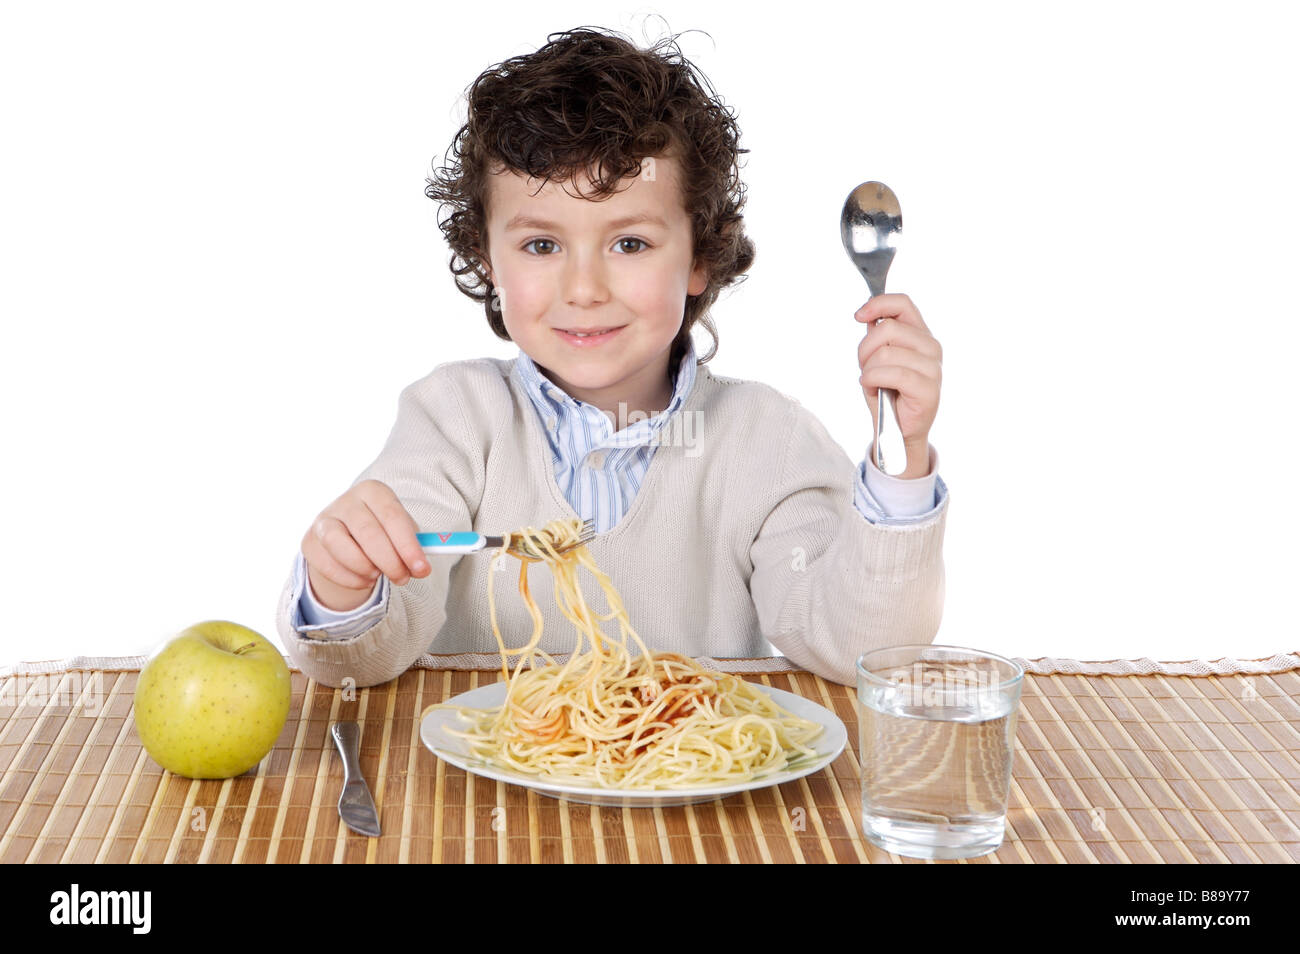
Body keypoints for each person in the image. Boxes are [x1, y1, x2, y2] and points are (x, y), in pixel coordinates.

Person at [275, 26, 947, 689]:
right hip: (487, 796)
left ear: (700, 258)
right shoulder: (453, 420)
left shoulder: (766, 440)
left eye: (629, 244)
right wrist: (342, 588)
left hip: (696, 792)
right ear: (487, 258)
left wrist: (901, 461)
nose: (585, 290)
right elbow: (365, 658)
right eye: (541, 246)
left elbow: (866, 651)